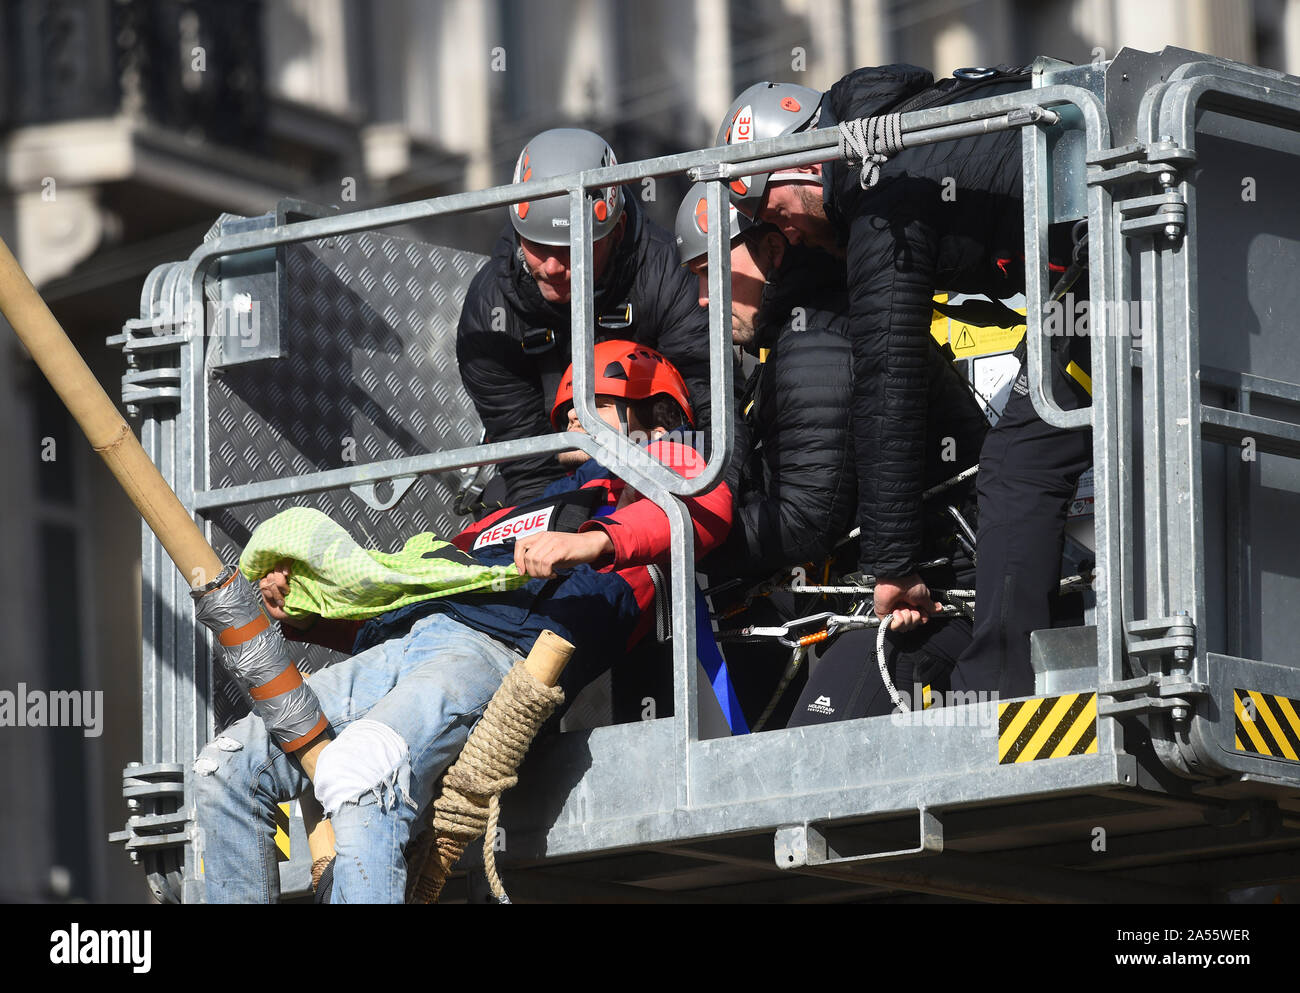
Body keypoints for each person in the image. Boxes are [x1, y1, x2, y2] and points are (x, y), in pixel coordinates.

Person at [192, 343, 732, 903]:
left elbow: (705, 502)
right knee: (226, 770)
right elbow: (419, 594)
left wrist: (590, 542)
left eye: (593, 400)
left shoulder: (645, 494)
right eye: (568, 404)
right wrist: (306, 619)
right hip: (406, 645)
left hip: (492, 657)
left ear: (651, 413)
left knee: (363, 776)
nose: (570, 413)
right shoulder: (515, 512)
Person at [714, 71, 1090, 695]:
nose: (782, 233)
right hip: (1119, 254)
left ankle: (998, 695)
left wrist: (892, 568)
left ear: (802, 168)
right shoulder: (903, 140)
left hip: (1121, 265)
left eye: (767, 212)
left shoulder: (879, 200)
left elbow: (889, 378)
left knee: (1021, 465)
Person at [675, 184, 984, 728]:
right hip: (887, 599)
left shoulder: (817, 337)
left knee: (810, 761)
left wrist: (675, 544)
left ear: (773, 250)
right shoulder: (803, 331)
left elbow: (805, 520)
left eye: (710, 271)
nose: (703, 297)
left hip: (939, 602)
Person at [456, 127, 720, 506]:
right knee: (501, 504)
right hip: (557, 480)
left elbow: (713, 419)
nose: (551, 266)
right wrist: (566, 533)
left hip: (662, 467)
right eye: (536, 245)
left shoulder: (669, 276)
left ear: (617, 230)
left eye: (570, 249)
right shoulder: (489, 315)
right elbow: (530, 468)